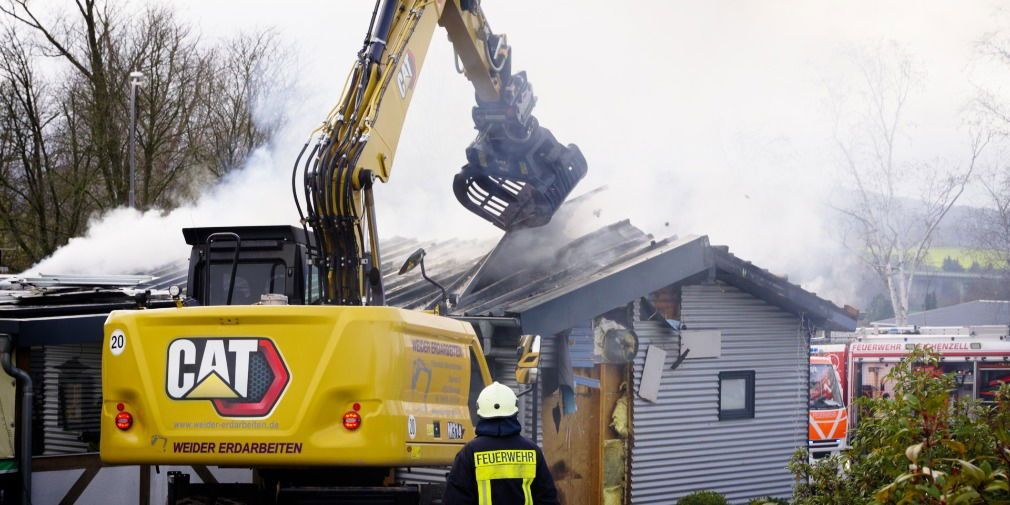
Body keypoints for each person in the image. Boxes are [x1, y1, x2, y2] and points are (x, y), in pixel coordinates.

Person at [443, 382, 559, 505]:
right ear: (514, 410)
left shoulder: (469, 452)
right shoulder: (532, 451)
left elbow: (454, 500)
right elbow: (547, 499)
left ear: (480, 411)